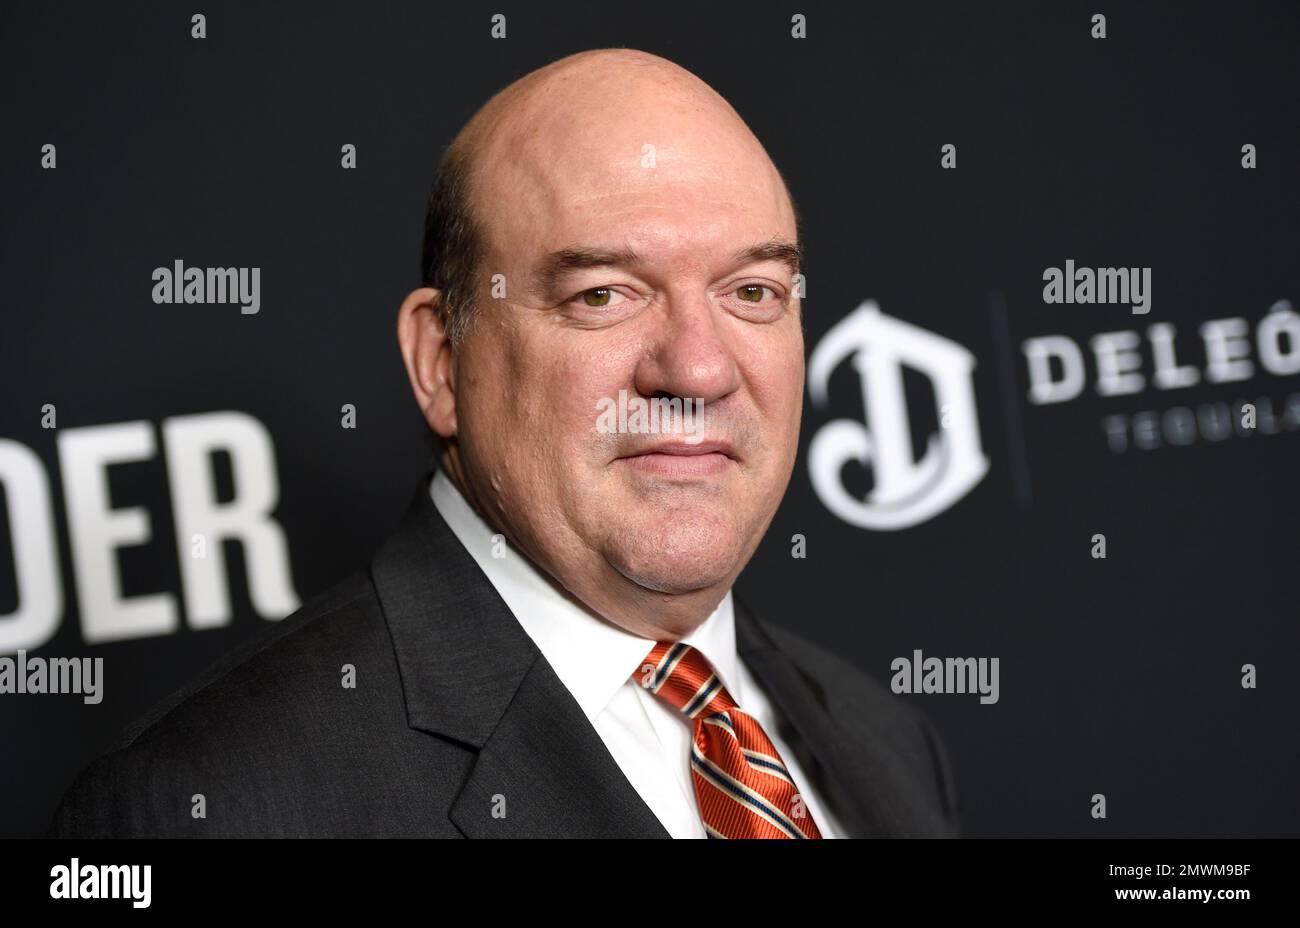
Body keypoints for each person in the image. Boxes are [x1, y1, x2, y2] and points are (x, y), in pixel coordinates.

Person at [48, 47, 960, 839]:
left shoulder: (886, 743)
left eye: (753, 292)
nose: (697, 371)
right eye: (602, 293)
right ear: (443, 361)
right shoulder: (208, 805)